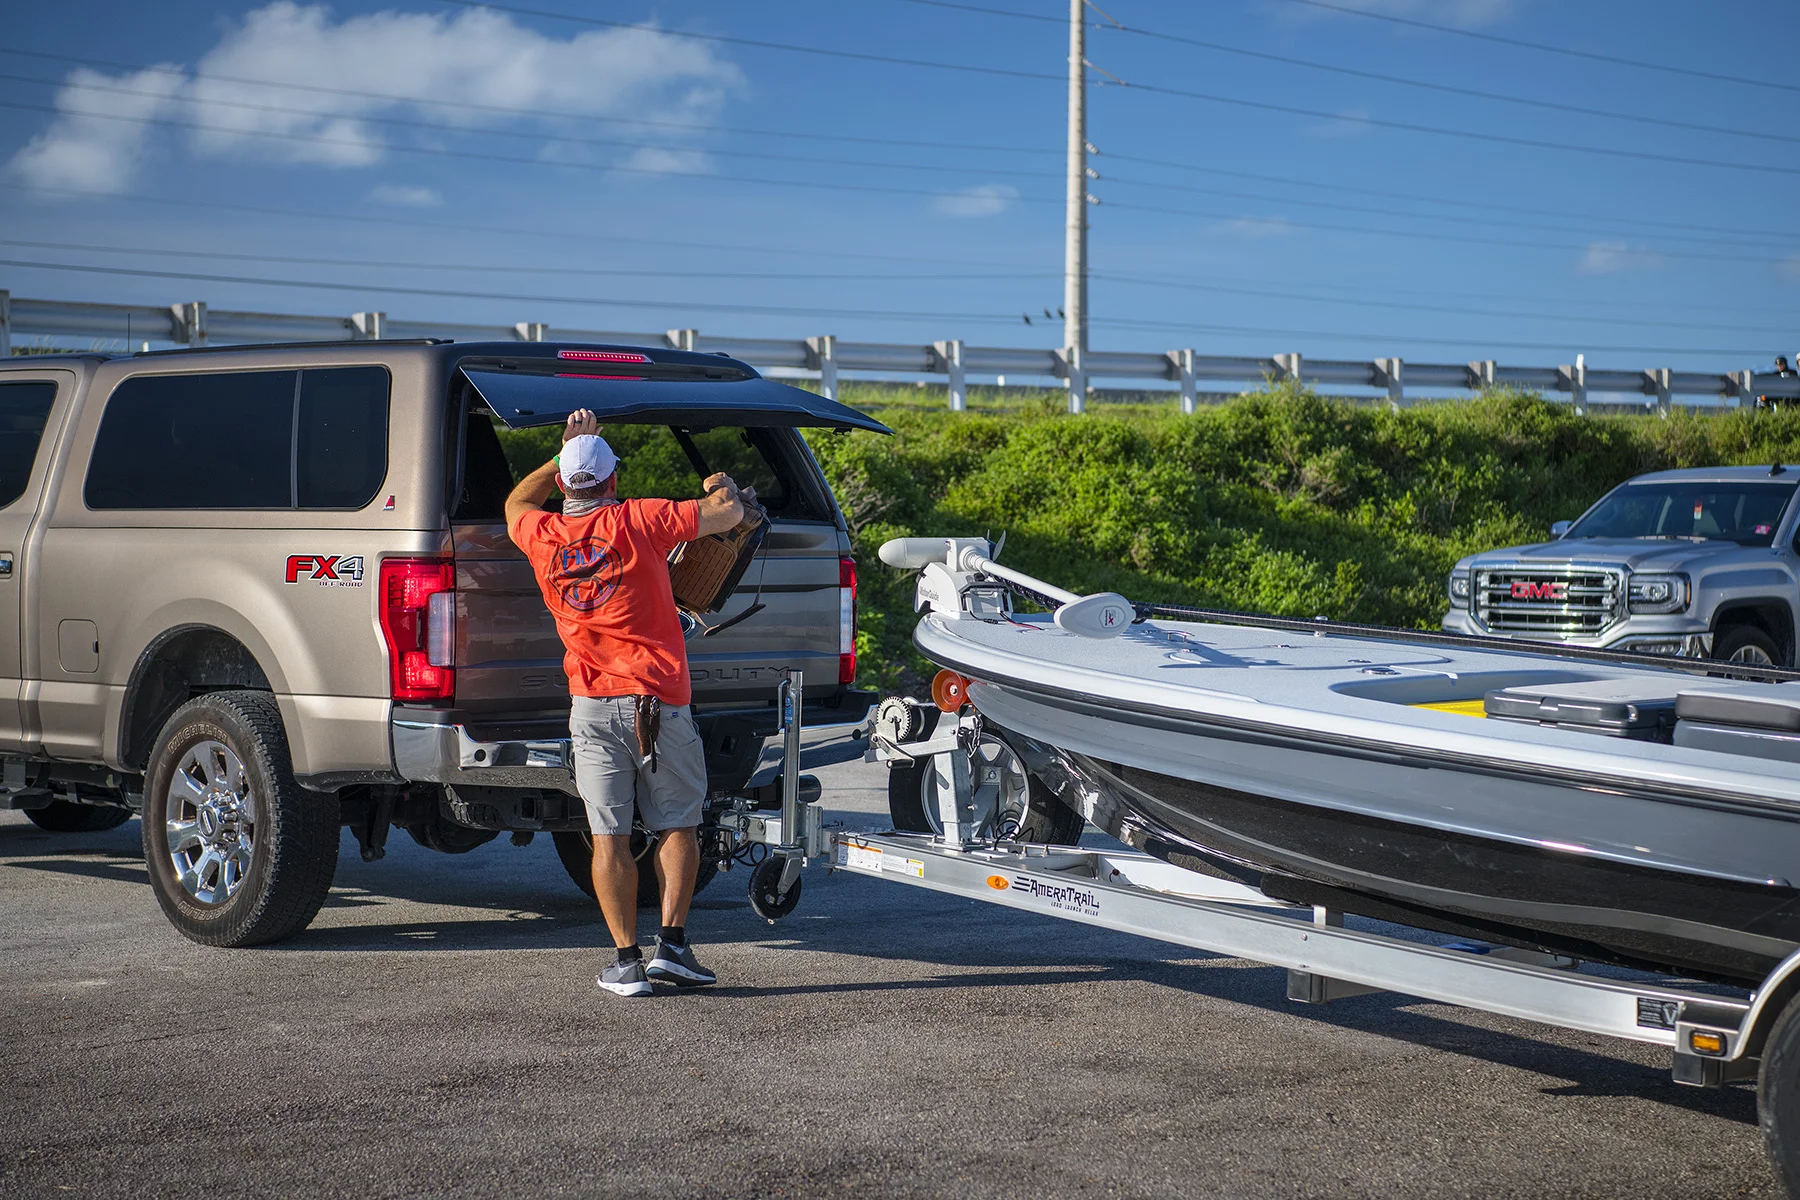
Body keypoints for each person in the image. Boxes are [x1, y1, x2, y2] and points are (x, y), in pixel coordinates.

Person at [506, 409, 750, 996]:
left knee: (609, 836)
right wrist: (724, 488)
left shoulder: (540, 536)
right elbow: (729, 515)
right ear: (614, 481)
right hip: (658, 702)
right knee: (679, 825)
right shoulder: (641, 519)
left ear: (564, 485)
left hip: (590, 706)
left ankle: (625, 962)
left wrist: (566, 451)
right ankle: (673, 948)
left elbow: (516, 500)